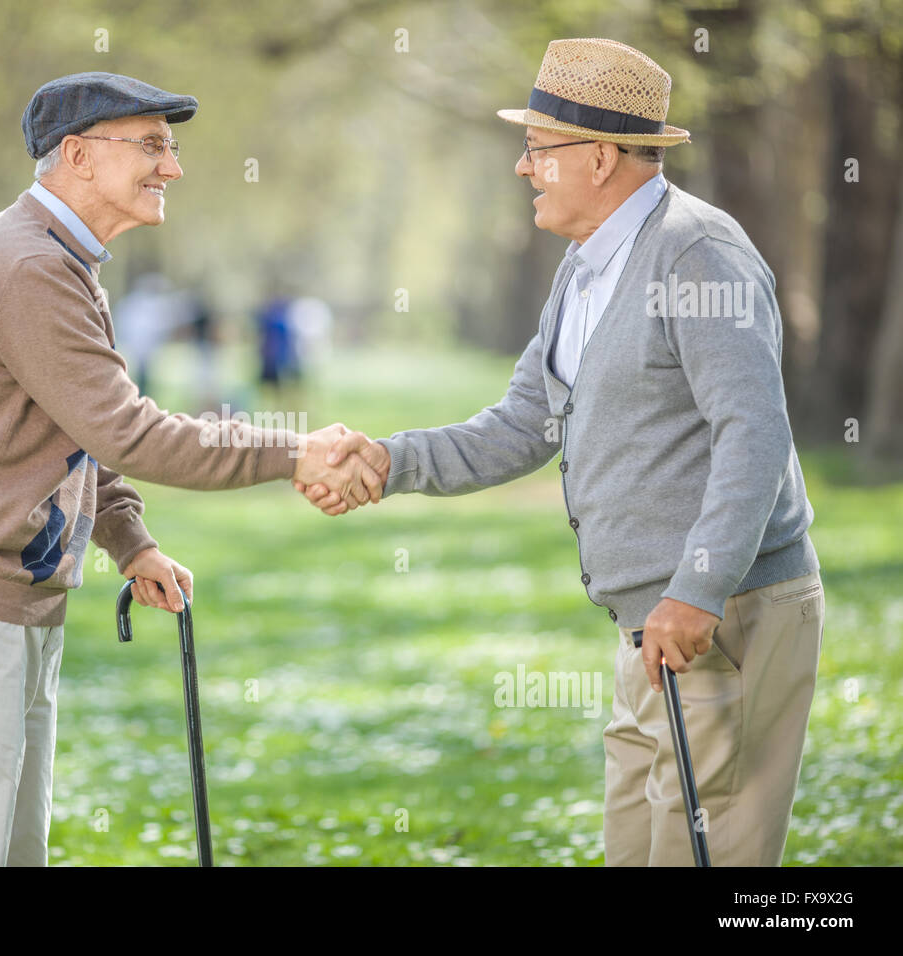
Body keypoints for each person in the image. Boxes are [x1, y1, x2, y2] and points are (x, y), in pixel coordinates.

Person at [299, 39, 823, 867]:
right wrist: (387, 462)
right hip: (650, 629)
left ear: (603, 158)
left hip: (726, 618)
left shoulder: (697, 255)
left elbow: (752, 432)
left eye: (539, 150)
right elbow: (522, 426)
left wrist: (698, 588)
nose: (522, 168)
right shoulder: (585, 269)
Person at [0, 71, 380, 866]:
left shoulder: (62, 262)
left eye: (169, 148)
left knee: (10, 854)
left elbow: (81, 432)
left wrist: (129, 540)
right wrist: (294, 452)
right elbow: (131, 431)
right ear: (77, 155)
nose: (171, 167)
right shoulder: (27, 266)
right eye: (151, 146)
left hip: (11, 605)